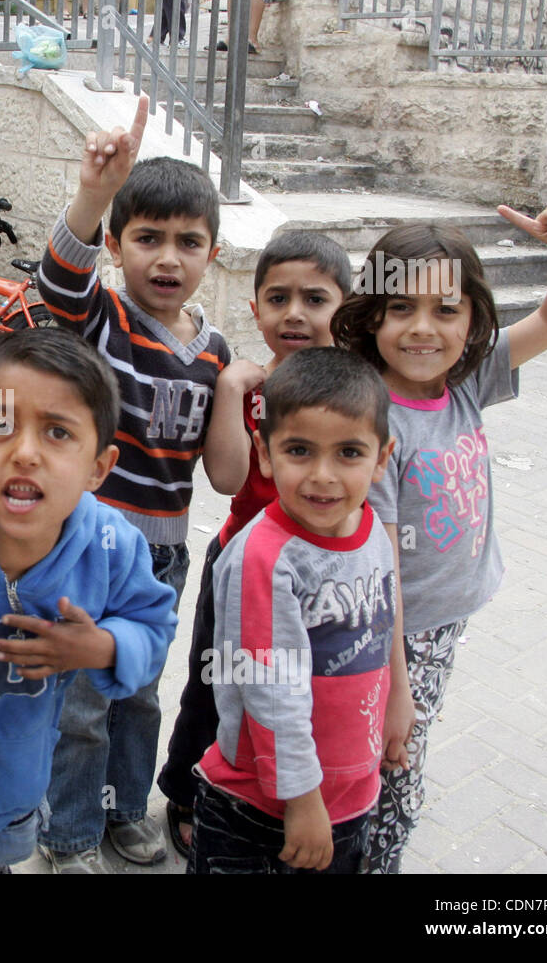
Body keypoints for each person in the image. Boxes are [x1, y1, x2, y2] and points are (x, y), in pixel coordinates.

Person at [331, 200, 547, 873]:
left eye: (446, 311)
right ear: (373, 316)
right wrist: (395, 693)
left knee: (398, 750)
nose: (424, 330)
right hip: (395, 635)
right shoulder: (374, 420)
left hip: (444, 624)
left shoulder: (467, 382)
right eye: (402, 310)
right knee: (392, 769)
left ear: (473, 318)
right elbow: (379, 571)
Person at [34, 96, 251, 872]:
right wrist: (94, 193)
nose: (167, 257)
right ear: (119, 247)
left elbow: (227, 474)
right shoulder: (106, 322)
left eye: (188, 242)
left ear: (213, 256)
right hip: (92, 549)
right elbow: (59, 284)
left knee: (138, 692)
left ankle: (127, 809)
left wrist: (235, 391)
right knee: (84, 704)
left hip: (163, 558)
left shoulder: (217, 350)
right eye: (147, 238)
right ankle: (66, 834)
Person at [0, 329, 178, 874]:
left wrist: (102, 646)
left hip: (20, 788)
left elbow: (154, 625)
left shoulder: (112, 546)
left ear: (99, 467)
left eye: (57, 432)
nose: (24, 452)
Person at [156, 230, 353, 857]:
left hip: (324, 573)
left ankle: (290, 794)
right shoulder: (248, 386)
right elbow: (227, 478)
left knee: (303, 691)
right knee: (217, 686)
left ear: (345, 308)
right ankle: (189, 791)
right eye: (278, 298)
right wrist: (235, 392)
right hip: (243, 564)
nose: (294, 313)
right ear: (254, 309)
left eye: (314, 299)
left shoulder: (355, 389)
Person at [190, 347, 397, 873]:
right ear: (264, 453)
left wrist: (399, 701)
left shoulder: (372, 529)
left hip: (350, 797)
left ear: (382, 458)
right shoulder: (264, 557)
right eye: (300, 450)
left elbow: (382, 626)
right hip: (263, 811)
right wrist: (303, 799)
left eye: (349, 453)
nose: (323, 476)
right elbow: (270, 688)